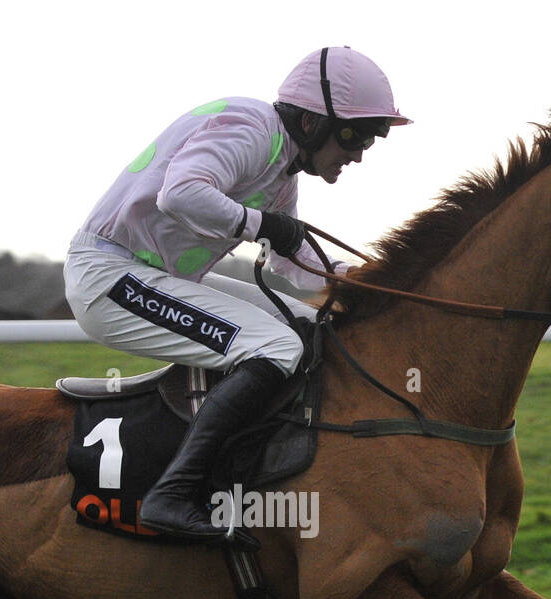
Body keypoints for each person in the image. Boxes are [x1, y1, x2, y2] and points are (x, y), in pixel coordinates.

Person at [64, 46, 410, 546]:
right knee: (277, 346)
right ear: (312, 122)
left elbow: (293, 264)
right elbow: (180, 193)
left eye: (370, 141)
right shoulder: (251, 126)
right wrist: (261, 225)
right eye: (355, 136)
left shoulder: (281, 168)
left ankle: (260, 470)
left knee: (307, 328)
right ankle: (173, 494)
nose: (357, 154)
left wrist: (365, 280)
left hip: (155, 278)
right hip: (108, 278)